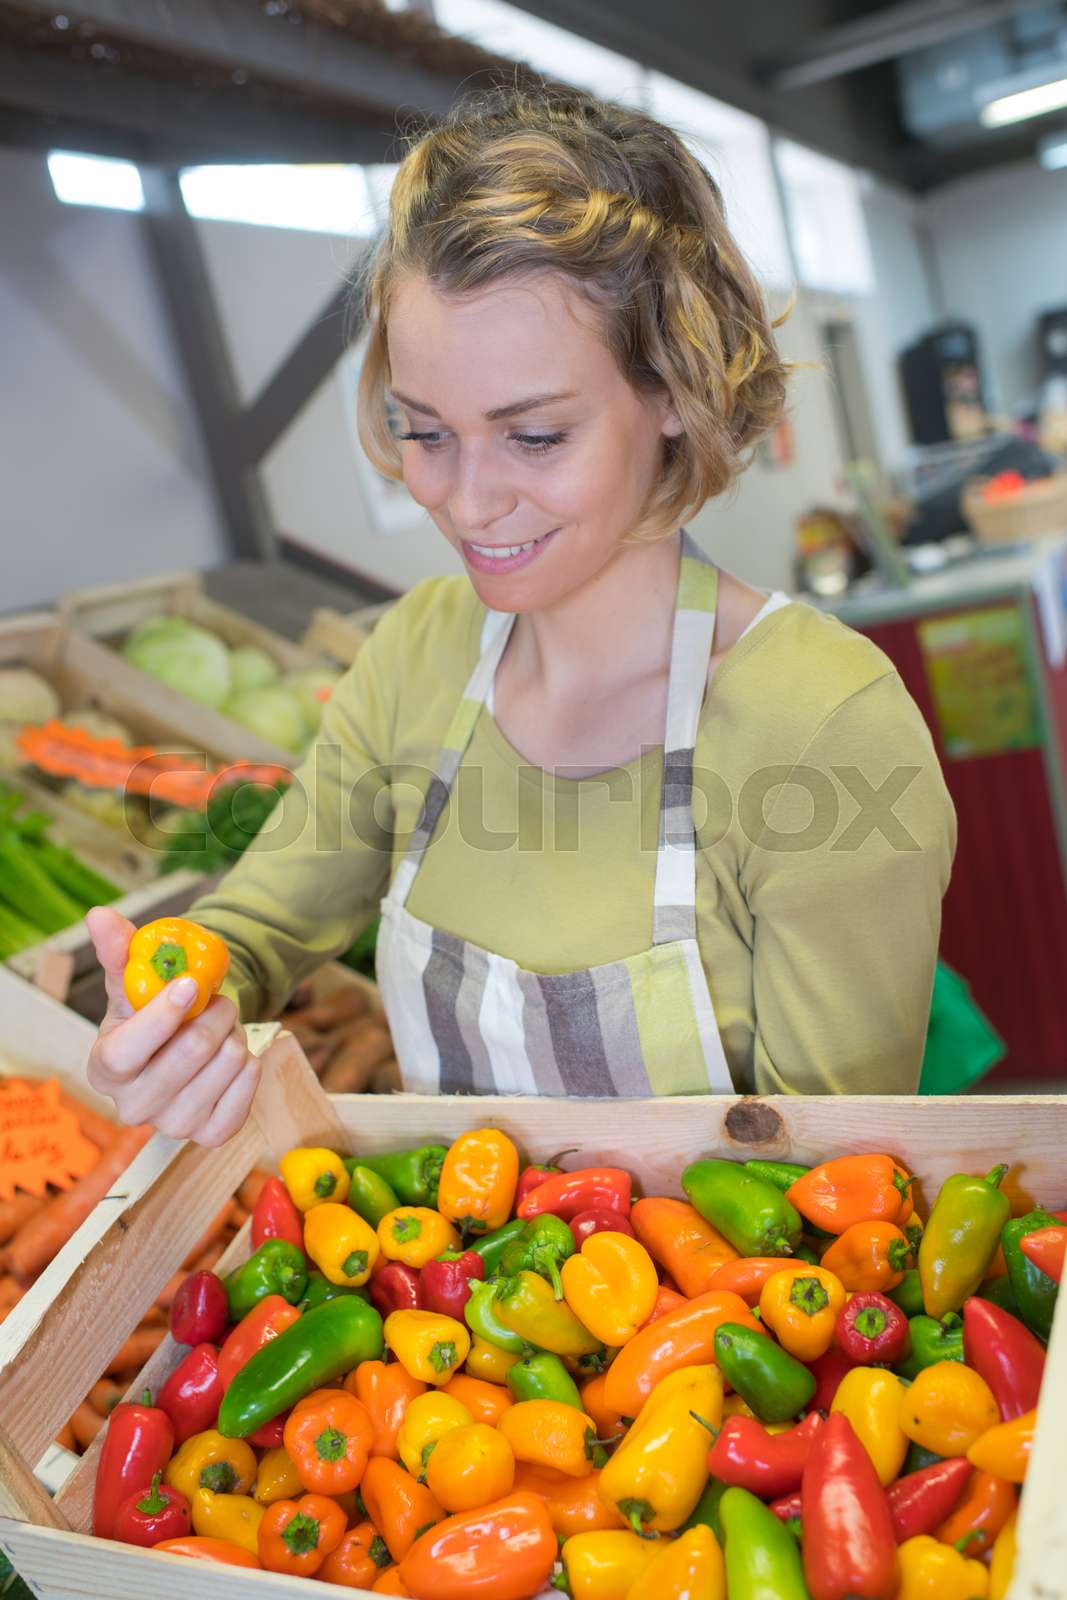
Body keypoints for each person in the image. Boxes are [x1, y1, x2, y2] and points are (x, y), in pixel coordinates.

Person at [86, 88, 955, 1146]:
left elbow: (842, 1191)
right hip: (436, 1305)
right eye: (425, 431)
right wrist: (182, 1013)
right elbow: (256, 928)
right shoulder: (419, 650)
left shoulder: (821, 722)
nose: (465, 500)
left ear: (675, 389)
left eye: (533, 436)